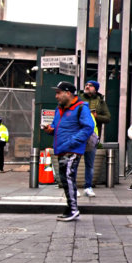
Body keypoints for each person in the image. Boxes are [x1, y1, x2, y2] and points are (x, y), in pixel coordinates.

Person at [41, 81, 96, 222]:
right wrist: (50, 130)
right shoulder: (59, 109)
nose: (56, 96)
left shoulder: (81, 108)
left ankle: (73, 209)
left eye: (58, 93)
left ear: (68, 93)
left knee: (68, 176)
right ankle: (71, 207)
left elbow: (88, 127)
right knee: (65, 179)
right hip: (62, 149)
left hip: (72, 150)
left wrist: (72, 142)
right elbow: (56, 126)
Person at [81, 79, 111, 196]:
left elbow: (108, 118)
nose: (87, 86)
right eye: (86, 85)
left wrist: (96, 116)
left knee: (90, 163)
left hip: (92, 137)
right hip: (79, 135)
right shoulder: (79, 98)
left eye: (91, 85)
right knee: (74, 162)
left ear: (96, 89)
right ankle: (72, 186)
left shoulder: (100, 102)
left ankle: (88, 186)